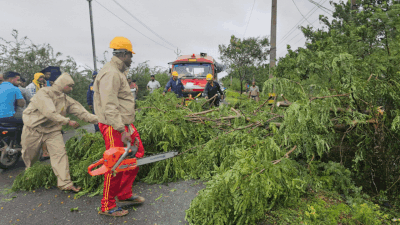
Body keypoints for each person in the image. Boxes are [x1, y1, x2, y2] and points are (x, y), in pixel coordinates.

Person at [93, 36, 145, 217]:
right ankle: (107, 205)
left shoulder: (118, 72)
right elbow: (109, 105)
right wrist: (121, 130)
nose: (132, 59)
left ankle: (124, 194)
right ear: (123, 54)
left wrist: (126, 127)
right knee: (115, 163)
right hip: (114, 125)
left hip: (124, 124)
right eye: (130, 55)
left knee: (136, 155)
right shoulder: (111, 73)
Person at [21, 72, 98, 192]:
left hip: (52, 131)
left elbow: (83, 113)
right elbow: (49, 112)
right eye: (70, 86)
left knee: (60, 154)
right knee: (30, 156)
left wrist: (104, 120)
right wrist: (67, 121)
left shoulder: (66, 100)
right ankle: (30, 174)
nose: (71, 89)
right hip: (33, 129)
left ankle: (65, 183)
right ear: (62, 84)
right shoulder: (44, 93)